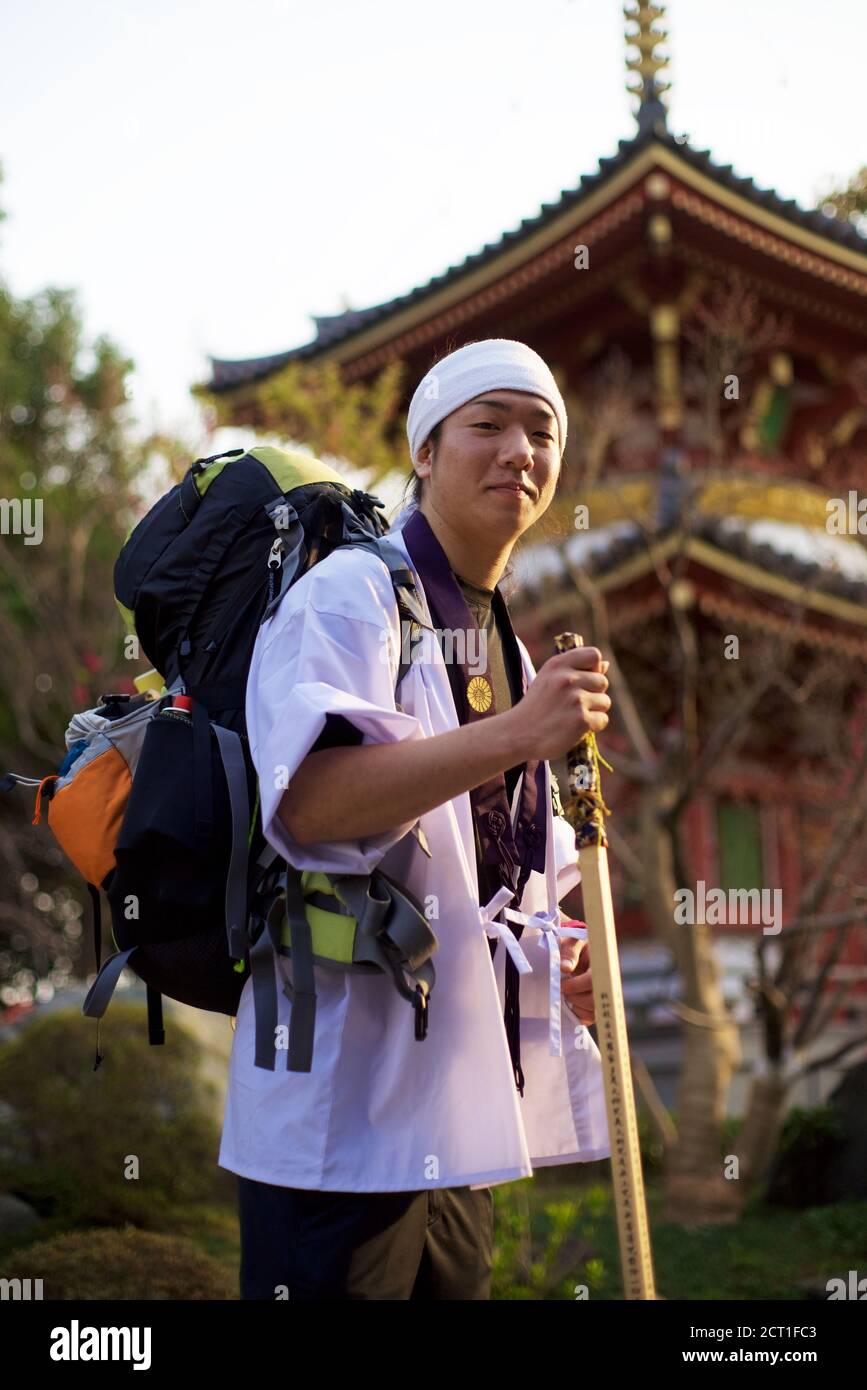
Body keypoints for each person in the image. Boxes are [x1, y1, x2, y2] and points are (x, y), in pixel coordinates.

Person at [219, 337, 613, 1300]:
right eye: (487, 424)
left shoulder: (502, 641)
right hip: (339, 1111)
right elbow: (310, 801)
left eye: (541, 429)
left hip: (455, 1116)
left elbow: (487, 865)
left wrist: (560, 951)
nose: (519, 448)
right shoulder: (352, 597)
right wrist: (518, 734)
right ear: (424, 454)